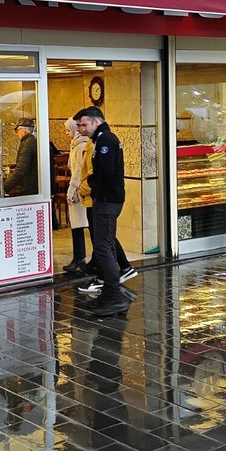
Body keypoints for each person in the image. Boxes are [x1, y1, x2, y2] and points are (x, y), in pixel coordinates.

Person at [74, 106, 132, 316]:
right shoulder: (100, 139)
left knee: (103, 248)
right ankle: (109, 293)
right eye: (79, 125)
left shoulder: (106, 140)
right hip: (105, 199)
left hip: (107, 201)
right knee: (103, 246)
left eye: (84, 124)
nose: (81, 129)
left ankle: (114, 296)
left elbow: (104, 173)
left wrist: (90, 186)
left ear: (96, 122)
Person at [63, 118, 90, 273]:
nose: (67, 133)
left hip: (80, 190)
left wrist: (71, 190)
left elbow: (78, 171)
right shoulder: (76, 144)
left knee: (79, 225)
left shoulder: (80, 146)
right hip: (78, 189)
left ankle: (80, 257)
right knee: (77, 225)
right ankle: (79, 257)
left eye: (68, 130)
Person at [6, 118, 38, 196]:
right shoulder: (32, 140)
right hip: (33, 185)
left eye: (17, 131)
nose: (16, 134)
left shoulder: (28, 142)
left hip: (29, 187)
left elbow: (21, 168)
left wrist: (6, 186)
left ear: (24, 130)